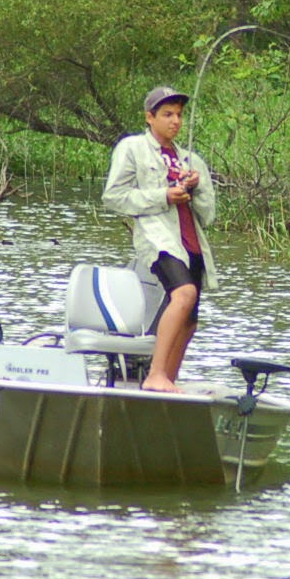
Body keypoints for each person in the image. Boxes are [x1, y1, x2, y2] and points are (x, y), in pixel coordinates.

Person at [101, 85, 217, 392]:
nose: (175, 121)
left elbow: (209, 216)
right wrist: (164, 195)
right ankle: (155, 375)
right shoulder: (132, 148)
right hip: (159, 239)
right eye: (167, 114)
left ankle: (169, 380)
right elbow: (113, 197)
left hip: (191, 243)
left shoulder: (192, 160)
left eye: (179, 115)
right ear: (149, 117)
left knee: (190, 321)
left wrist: (197, 186)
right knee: (184, 294)